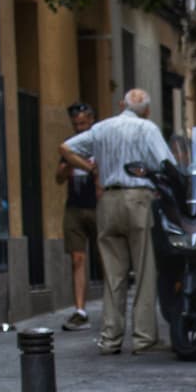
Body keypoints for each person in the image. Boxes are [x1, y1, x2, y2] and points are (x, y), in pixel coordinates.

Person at [59, 89, 173, 355]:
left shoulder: (101, 128)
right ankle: (144, 338)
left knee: (113, 274)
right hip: (138, 200)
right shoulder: (147, 128)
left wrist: (91, 168)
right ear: (146, 110)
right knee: (144, 270)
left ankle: (110, 338)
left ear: (122, 105)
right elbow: (167, 164)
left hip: (107, 201)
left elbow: (65, 148)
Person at [56, 102, 98, 329]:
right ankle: (80, 310)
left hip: (98, 206)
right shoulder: (69, 147)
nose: (79, 128)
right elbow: (58, 178)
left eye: (82, 123)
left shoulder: (99, 143)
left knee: (106, 258)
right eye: (76, 124)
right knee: (77, 259)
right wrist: (65, 169)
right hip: (74, 206)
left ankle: (113, 308)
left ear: (91, 121)